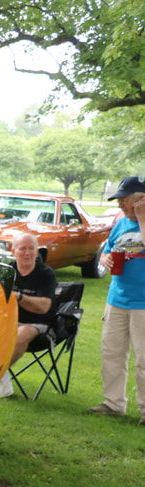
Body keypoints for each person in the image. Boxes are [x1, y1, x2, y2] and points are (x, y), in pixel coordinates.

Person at [88, 176, 145, 422]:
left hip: (142, 303)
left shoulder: (141, 220)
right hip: (117, 299)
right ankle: (114, 403)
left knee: (143, 359)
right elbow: (108, 250)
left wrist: (142, 216)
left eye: (125, 201)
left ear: (140, 200)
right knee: (111, 353)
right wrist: (104, 259)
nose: (120, 206)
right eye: (120, 201)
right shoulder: (121, 223)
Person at [0, 232, 56, 397]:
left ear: (37, 251)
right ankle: (0, 377)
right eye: (22, 249)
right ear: (13, 251)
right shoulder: (6, 271)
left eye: (31, 249)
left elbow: (44, 307)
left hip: (37, 324)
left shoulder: (46, 274)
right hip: (8, 321)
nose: (27, 253)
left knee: (22, 333)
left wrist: (19, 297)